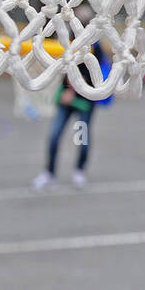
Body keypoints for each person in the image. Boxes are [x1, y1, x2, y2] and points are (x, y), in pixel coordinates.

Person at [31, 26, 106, 190]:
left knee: (82, 138)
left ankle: (79, 170)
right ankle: (49, 173)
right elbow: (66, 67)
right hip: (66, 100)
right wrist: (68, 90)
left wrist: (75, 88)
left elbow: (95, 74)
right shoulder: (69, 42)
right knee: (54, 135)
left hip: (84, 102)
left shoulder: (96, 48)